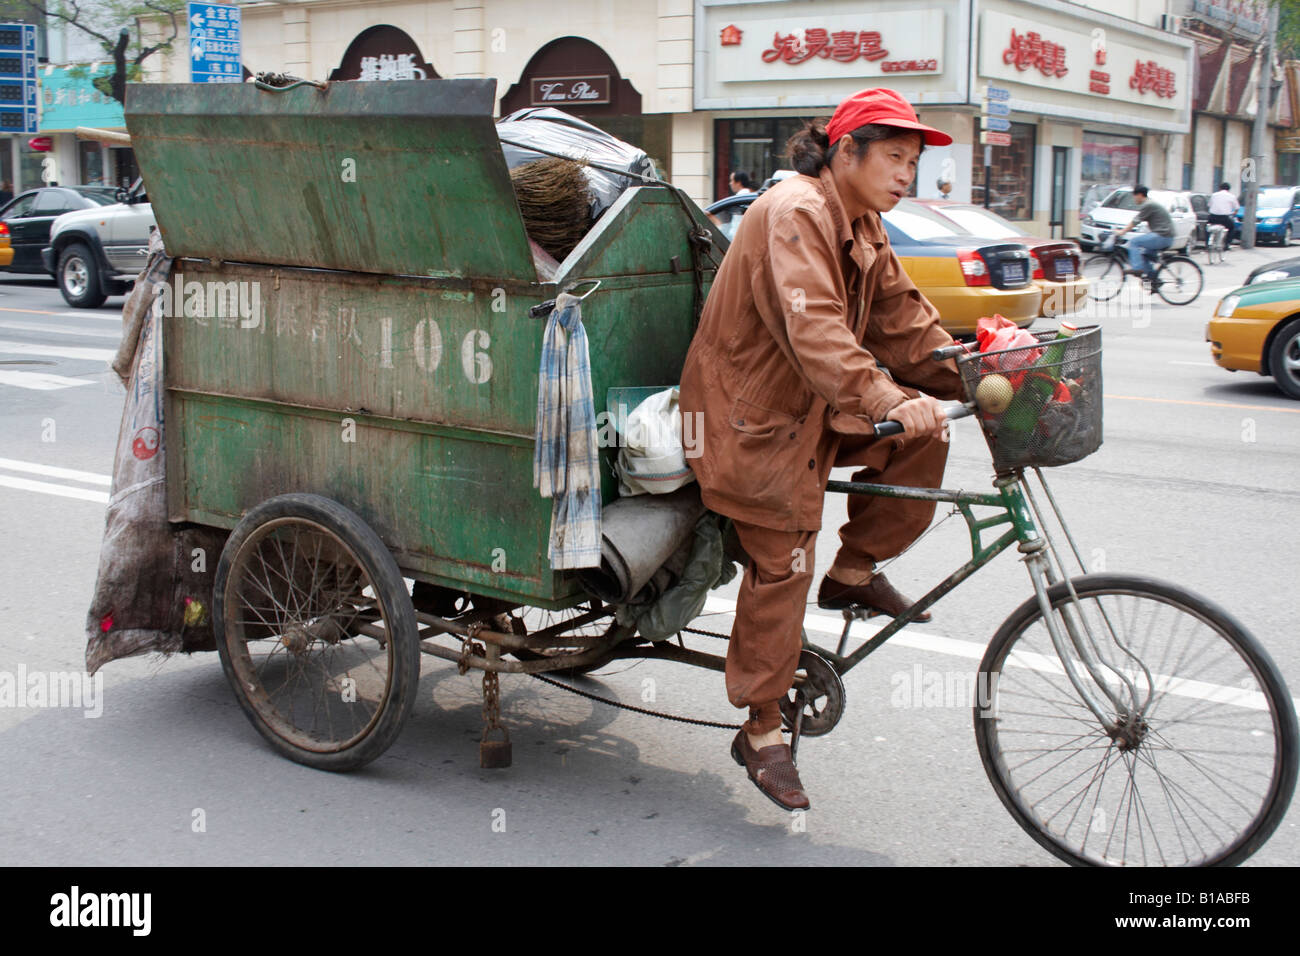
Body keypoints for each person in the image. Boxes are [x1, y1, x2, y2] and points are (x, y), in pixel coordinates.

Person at [679, 88, 962, 811]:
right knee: (785, 556)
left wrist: (976, 370)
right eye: (894, 158)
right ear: (847, 151)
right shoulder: (796, 211)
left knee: (926, 437)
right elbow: (820, 334)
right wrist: (892, 398)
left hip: (814, 408)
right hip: (750, 423)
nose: (906, 175)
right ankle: (763, 728)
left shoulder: (864, 223)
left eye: (913, 163)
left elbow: (905, 324)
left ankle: (856, 568)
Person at [1116, 185, 1174, 285]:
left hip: (1163, 236)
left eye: (1134, 195)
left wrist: (1122, 232)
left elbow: (1136, 221)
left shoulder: (1148, 205)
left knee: (1134, 242)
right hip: (1165, 236)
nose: (1133, 198)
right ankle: (1154, 280)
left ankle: (1137, 269)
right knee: (1144, 255)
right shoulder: (1150, 203)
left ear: (1140, 195)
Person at [1208, 181, 1239, 246]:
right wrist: (1233, 214)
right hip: (1224, 218)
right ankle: (1227, 244)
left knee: (1208, 228)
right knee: (1232, 228)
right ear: (1229, 189)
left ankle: (1207, 244)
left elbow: (1209, 205)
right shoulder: (1232, 196)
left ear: (1220, 188)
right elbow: (1236, 208)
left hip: (1213, 217)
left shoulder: (1214, 195)